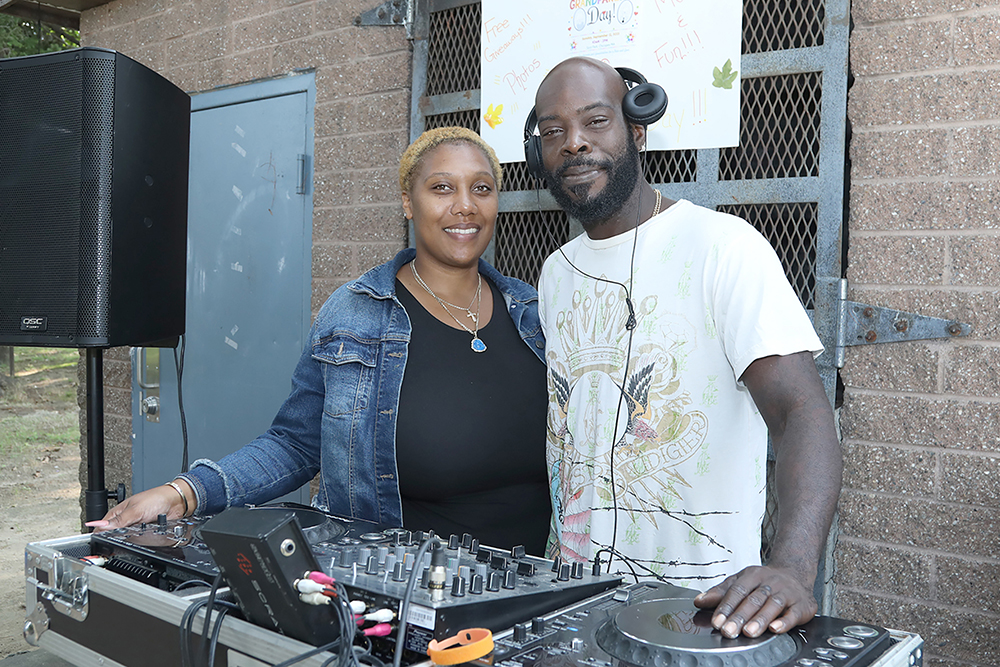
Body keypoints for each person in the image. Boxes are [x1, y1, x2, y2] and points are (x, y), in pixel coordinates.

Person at [88, 127, 551, 554]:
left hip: (543, 593)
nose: (465, 205)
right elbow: (297, 443)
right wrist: (186, 492)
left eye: (482, 188)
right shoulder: (355, 314)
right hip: (402, 591)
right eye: (442, 187)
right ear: (408, 202)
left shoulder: (534, 311)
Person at [529, 57, 842, 638]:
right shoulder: (554, 273)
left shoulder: (726, 249)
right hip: (573, 600)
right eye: (552, 132)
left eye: (596, 121)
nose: (573, 143)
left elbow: (801, 413)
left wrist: (793, 567)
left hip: (706, 609)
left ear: (638, 129)